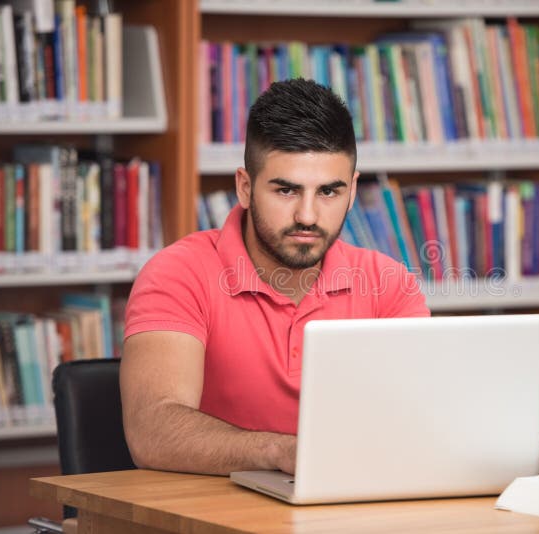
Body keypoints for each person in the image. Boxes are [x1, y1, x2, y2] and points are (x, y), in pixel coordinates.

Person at [121, 78, 430, 476]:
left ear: (353, 191)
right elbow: (152, 432)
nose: (307, 215)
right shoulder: (178, 274)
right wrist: (278, 452)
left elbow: (420, 419)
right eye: (286, 191)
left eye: (329, 192)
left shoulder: (389, 284)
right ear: (245, 188)